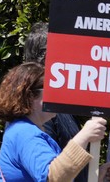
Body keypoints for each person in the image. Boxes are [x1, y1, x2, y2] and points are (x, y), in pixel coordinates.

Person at [0, 62, 110, 182]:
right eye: (52, 90)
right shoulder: (26, 133)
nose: (57, 97)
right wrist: (84, 136)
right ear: (30, 97)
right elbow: (54, 177)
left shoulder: (22, 130)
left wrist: (96, 177)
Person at [23, 22, 84, 182]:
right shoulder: (34, 108)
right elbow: (49, 174)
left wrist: (97, 176)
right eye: (62, 53)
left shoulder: (58, 103)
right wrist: (85, 135)